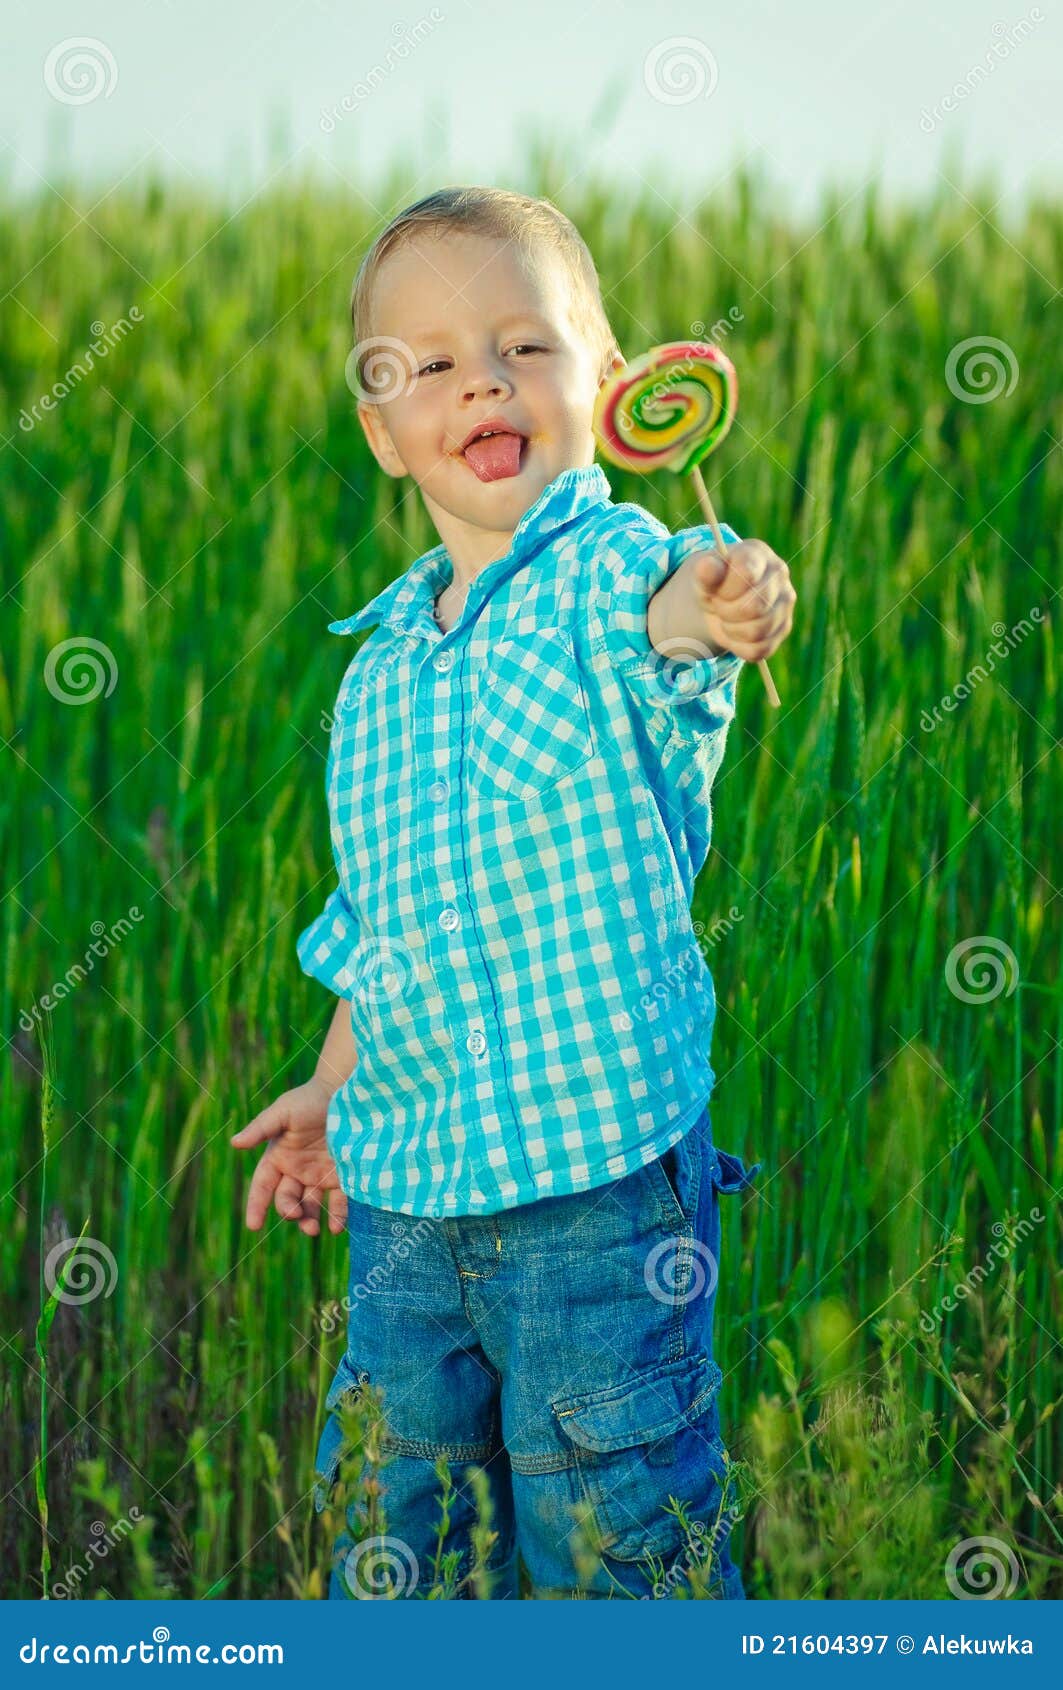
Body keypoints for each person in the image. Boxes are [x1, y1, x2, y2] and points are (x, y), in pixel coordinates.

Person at [231, 185, 795, 1600]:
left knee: (623, 1540)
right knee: (402, 1536)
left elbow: (685, 611)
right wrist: (326, 1092)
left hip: (595, 1198)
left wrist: (729, 600)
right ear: (384, 432)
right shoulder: (376, 677)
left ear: (609, 389)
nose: (481, 376)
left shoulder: (618, 573)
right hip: (408, 1199)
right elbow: (384, 932)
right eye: (426, 364)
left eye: (525, 347)